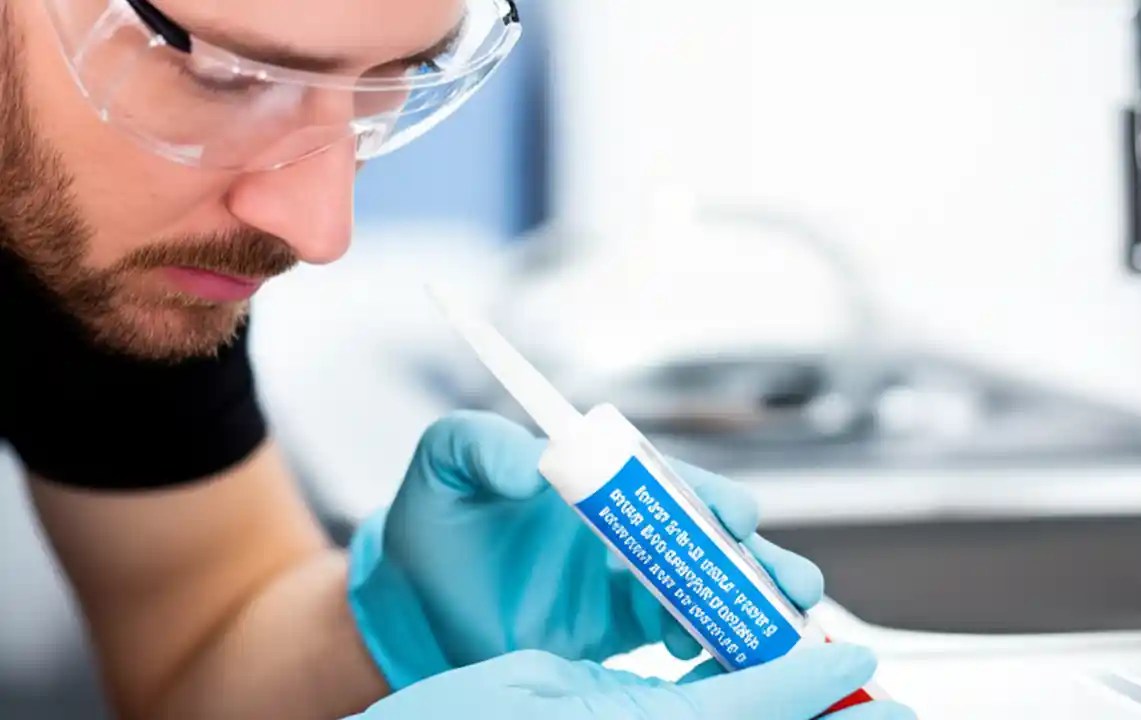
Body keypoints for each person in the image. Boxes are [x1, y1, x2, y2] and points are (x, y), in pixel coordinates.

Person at [0, 0, 916, 717]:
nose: (320, 230)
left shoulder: (103, 254)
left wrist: (387, 631)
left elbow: (198, 655)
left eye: (398, 78)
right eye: (227, 78)